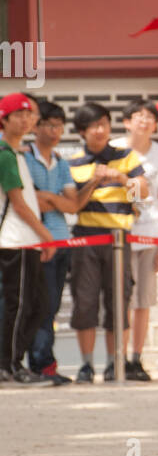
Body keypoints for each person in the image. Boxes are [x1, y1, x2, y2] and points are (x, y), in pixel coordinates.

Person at [67, 102, 148, 383]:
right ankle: (86, 365)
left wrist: (122, 178)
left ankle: (116, 363)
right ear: (81, 131)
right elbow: (72, 205)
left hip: (119, 239)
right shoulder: (74, 162)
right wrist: (93, 181)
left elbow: (143, 190)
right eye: (93, 126)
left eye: (104, 123)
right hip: (85, 240)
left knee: (119, 301)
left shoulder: (126, 156)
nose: (100, 130)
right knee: (85, 302)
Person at [24, 100, 101, 384]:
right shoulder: (24, 157)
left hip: (61, 243)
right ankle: (35, 364)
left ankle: (44, 364)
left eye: (60, 125)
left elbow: (72, 206)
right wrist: (55, 200)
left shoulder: (60, 162)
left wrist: (53, 198)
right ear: (36, 126)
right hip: (32, 243)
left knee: (51, 306)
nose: (56, 131)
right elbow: (29, 201)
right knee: (32, 306)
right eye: (50, 124)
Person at [119, 99, 158, 381]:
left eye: (150, 117)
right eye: (138, 116)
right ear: (126, 122)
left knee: (142, 300)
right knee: (119, 299)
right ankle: (115, 359)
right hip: (118, 235)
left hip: (150, 235)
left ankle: (135, 358)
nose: (144, 121)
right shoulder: (115, 149)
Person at [0, 93, 55, 384]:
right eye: (17, 115)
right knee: (18, 305)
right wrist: (46, 236)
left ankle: (13, 362)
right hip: (15, 240)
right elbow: (18, 203)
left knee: (37, 307)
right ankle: (8, 366)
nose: (25, 119)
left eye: (29, 114)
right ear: (4, 119)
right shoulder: (5, 155)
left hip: (28, 241)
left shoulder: (17, 153)